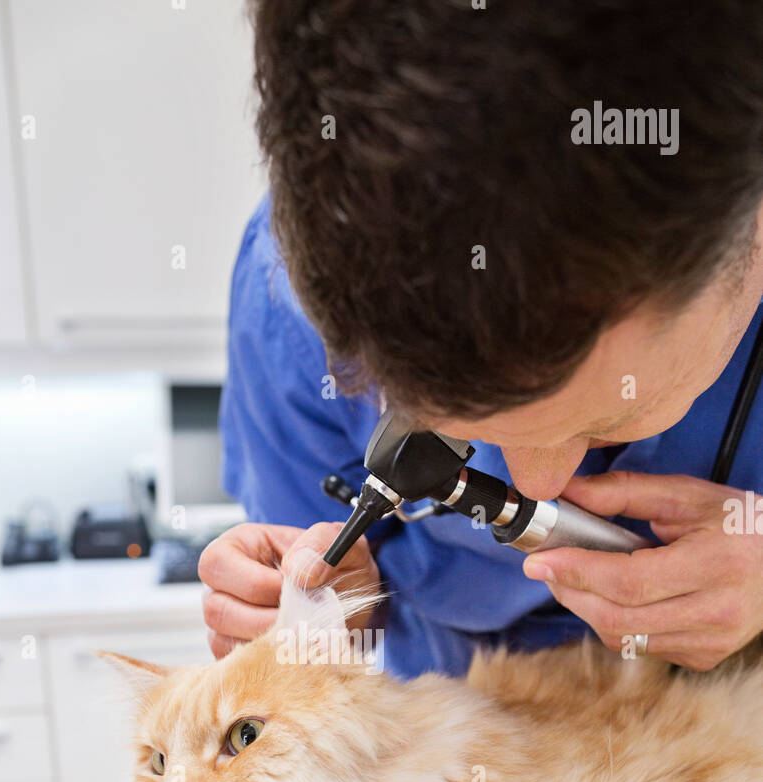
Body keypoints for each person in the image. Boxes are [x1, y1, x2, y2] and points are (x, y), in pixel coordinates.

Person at [200, 0, 763, 678]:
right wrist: (320, 616)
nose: (538, 486)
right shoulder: (291, 301)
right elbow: (328, 612)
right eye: (442, 423)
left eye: (610, 421)